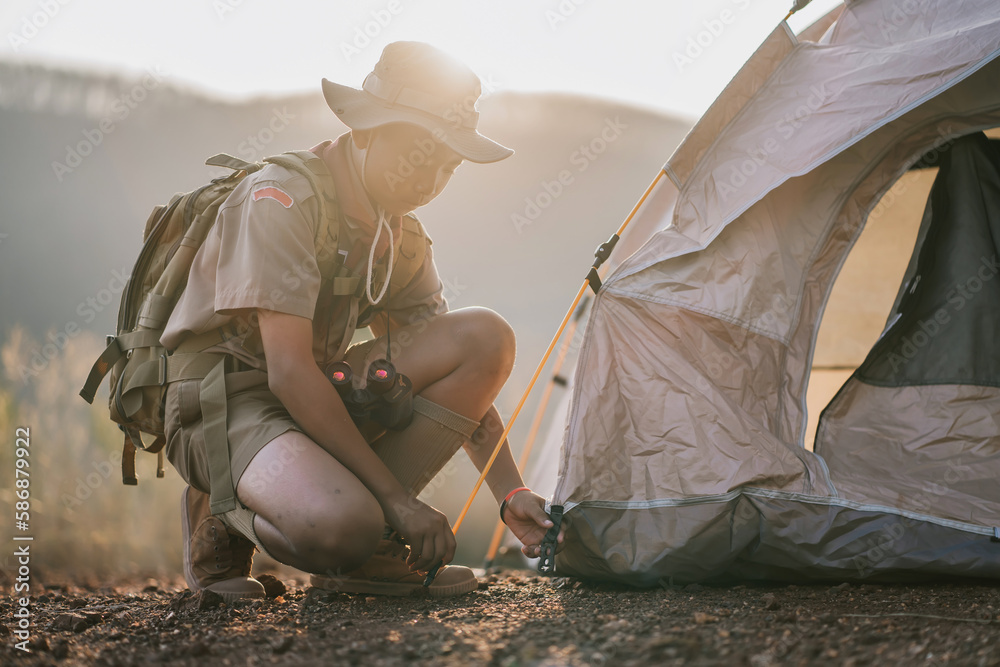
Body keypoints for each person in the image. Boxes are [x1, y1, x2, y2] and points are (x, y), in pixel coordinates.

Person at [159, 41, 561, 600]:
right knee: (344, 526)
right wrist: (399, 503)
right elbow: (289, 374)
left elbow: (458, 367)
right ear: (367, 130)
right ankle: (224, 515)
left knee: (484, 338)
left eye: (448, 165)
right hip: (224, 399)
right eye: (420, 152)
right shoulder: (280, 201)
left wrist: (508, 490)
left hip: (312, 392)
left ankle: (370, 551)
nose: (431, 179)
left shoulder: (398, 234)